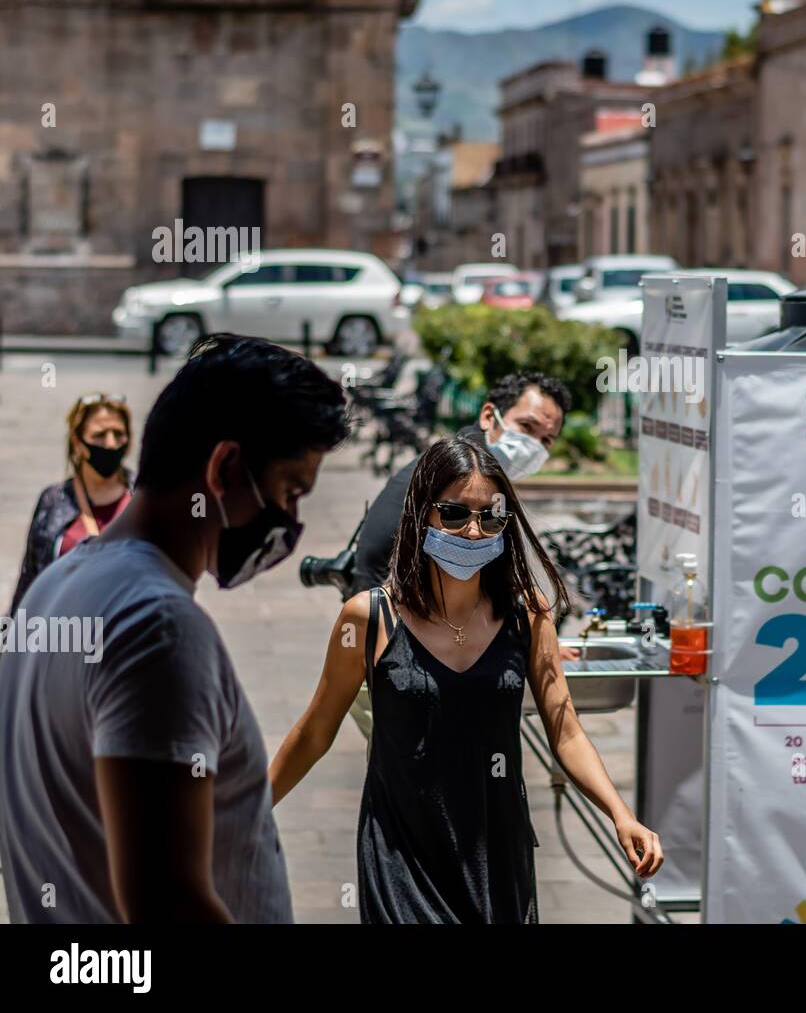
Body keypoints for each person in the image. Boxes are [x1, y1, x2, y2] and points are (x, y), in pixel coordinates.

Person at [0, 335, 350, 923]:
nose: (290, 523)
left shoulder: (55, 587)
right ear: (225, 468)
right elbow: (168, 902)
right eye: (289, 490)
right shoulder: (158, 627)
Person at [270, 436, 663, 923]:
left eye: (491, 516)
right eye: (455, 514)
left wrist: (621, 814)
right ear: (422, 516)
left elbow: (566, 730)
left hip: (495, 850)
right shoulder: (369, 617)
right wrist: (249, 809)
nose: (474, 531)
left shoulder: (527, 615)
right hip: (401, 852)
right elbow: (315, 731)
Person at [351, 370, 570, 596]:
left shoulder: (474, 460)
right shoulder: (468, 470)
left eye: (546, 439)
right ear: (488, 416)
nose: (533, 444)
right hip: (393, 597)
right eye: (526, 426)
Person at [10, 393, 134, 613]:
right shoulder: (54, 500)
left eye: (118, 434)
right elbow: (30, 579)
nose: (111, 443)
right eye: (99, 435)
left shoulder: (144, 496)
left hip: (130, 638)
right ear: (77, 442)